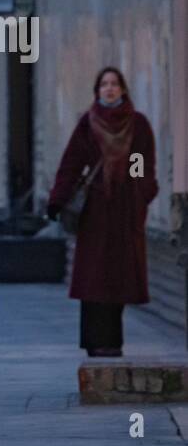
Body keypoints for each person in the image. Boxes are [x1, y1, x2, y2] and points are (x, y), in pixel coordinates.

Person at [47, 67, 158, 357]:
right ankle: (95, 341)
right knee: (94, 279)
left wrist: (140, 193)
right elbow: (72, 163)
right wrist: (57, 200)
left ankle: (113, 341)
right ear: (97, 91)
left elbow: (140, 163)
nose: (109, 89)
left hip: (124, 210)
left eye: (114, 84)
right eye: (104, 85)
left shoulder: (137, 124)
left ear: (123, 89)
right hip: (95, 211)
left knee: (119, 278)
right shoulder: (89, 123)